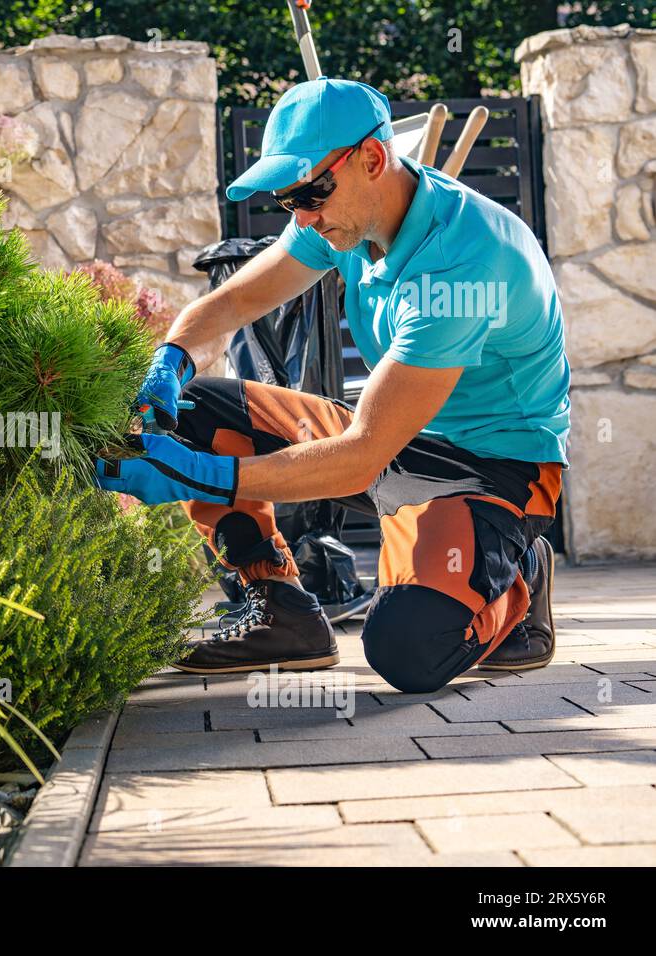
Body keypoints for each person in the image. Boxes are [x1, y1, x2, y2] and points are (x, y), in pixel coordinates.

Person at [93, 77, 570, 693]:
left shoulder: (460, 263)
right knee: (192, 410)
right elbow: (233, 301)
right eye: (289, 199)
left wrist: (194, 476)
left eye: (313, 192)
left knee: (407, 650)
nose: (303, 215)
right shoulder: (343, 218)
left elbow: (358, 459)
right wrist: (171, 358)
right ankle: (282, 617)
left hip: (493, 468)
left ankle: (517, 576)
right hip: (392, 434)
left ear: (373, 160)